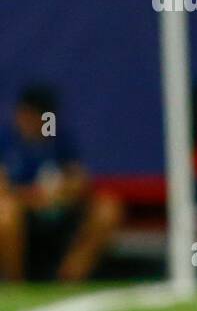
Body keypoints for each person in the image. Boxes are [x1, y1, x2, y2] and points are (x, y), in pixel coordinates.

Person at [0, 86, 122, 282]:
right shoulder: (5, 141)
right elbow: (3, 189)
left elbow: (79, 179)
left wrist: (63, 193)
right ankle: (15, 283)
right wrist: (31, 197)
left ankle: (69, 278)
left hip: (59, 212)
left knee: (107, 207)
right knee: (4, 213)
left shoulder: (58, 139)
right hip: (24, 215)